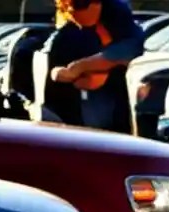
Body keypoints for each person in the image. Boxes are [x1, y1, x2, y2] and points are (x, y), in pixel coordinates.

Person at [46, 0, 145, 133]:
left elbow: (131, 50)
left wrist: (82, 67)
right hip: (77, 110)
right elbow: (53, 65)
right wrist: (63, 74)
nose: (74, 12)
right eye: (71, 7)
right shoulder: (68, 32)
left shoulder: (118, 18)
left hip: (115, 103)